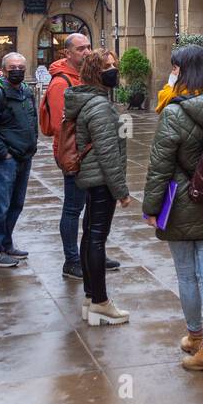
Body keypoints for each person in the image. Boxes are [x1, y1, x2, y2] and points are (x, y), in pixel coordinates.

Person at [141, 45, 203, 376]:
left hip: (181, 202)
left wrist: (151, 207)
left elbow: (160, 165)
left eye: (175, 68)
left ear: (182, 72)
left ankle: (198, 338)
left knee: (186, 274)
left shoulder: (174, 112)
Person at [42, 32, 121, 279]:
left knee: (92, 208)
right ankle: (72, 260)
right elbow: (60, 126)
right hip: (75, 156)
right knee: (73, 208)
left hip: (90, 155)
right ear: (68, 53)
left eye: (88, 47)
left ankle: (92, 252)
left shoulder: (87, 77)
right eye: (80, 49)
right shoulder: (60, 83)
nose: (86, 52)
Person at [66, 51, 133, 325]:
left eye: (115, 65)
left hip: (93, 179)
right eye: (108, 66)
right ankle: (101, 302)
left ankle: (91, 296)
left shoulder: (91, 101)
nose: (114, 69)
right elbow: (108, 153)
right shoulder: (100, 107)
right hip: (101, 181)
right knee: (96, 238)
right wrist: (121, 191)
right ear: (96, 72)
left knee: (90, 234)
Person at [0, 51, 38, 268]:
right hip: (6, 159)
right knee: (1, 205)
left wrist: (33, 144)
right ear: (3, 69)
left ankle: (6, 243)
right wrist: (3, 152)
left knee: (16, 204)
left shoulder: (26, 92)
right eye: (13, 67)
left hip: (24, 156)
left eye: (21, 67)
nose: (17, 71)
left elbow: (32, 120)